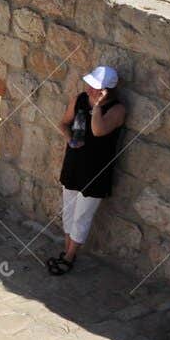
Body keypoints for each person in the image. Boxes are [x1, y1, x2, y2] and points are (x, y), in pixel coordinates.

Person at [48, 65, 126, 276]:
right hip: (74, 164)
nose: (90, 90)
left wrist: (98, 106)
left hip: (95, 170)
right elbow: (64, 123)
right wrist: (70, 139)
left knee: (82, 215)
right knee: (69, 211)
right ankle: (67, 252)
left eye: (96, 88)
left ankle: (69, 257)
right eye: (90, 86)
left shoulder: (116, 109)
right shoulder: (80, 99)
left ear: (107, 90)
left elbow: (98, 131)